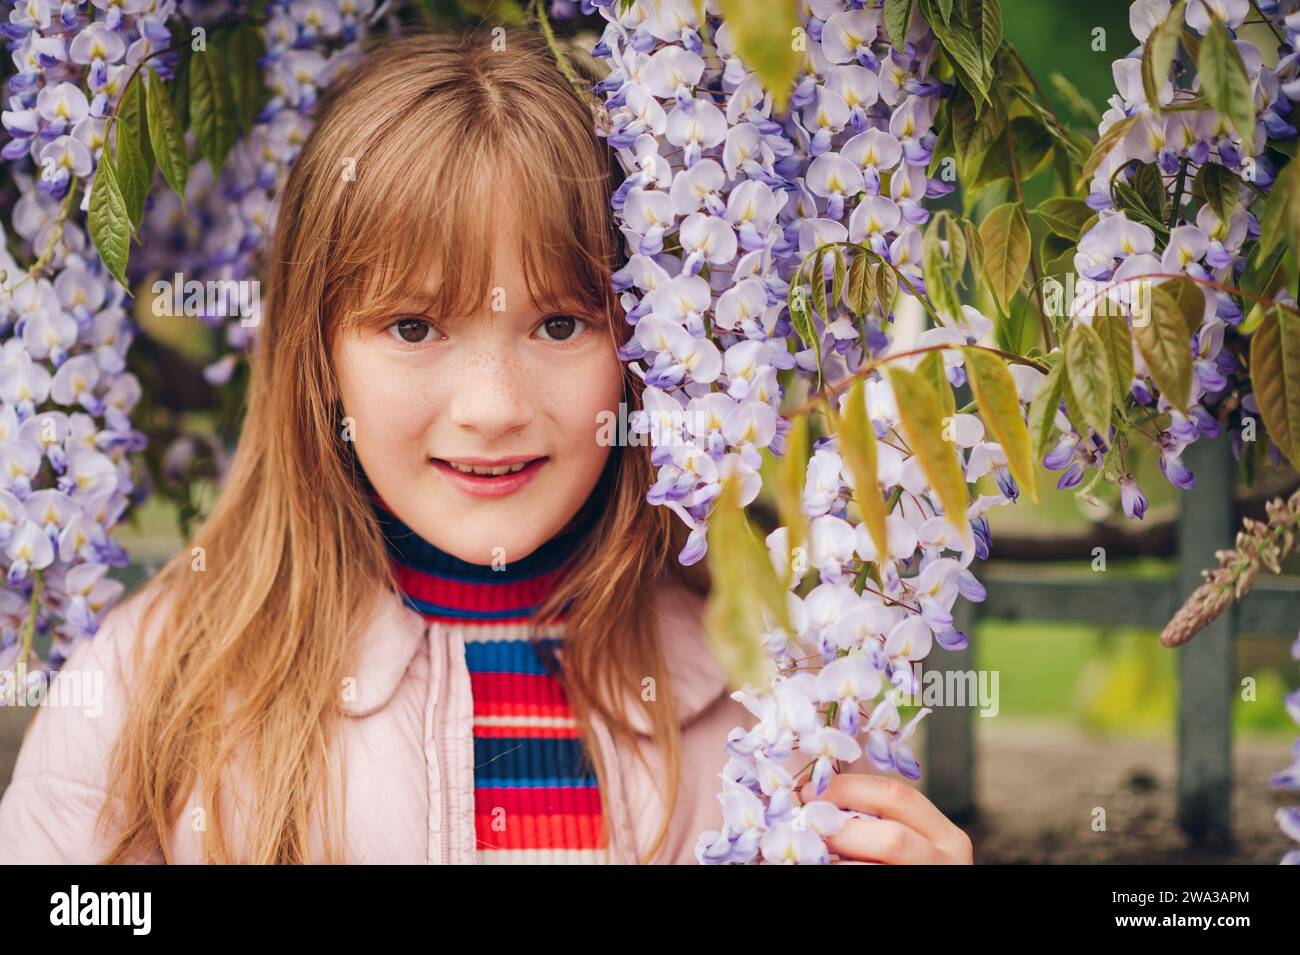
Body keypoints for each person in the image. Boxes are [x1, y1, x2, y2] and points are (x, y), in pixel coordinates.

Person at [0, 29, 973, 865]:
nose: (492, 408)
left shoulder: (780, 696)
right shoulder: (156, 682)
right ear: (318, 354)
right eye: (415, 327)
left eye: (559, 325)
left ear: (651, 345)